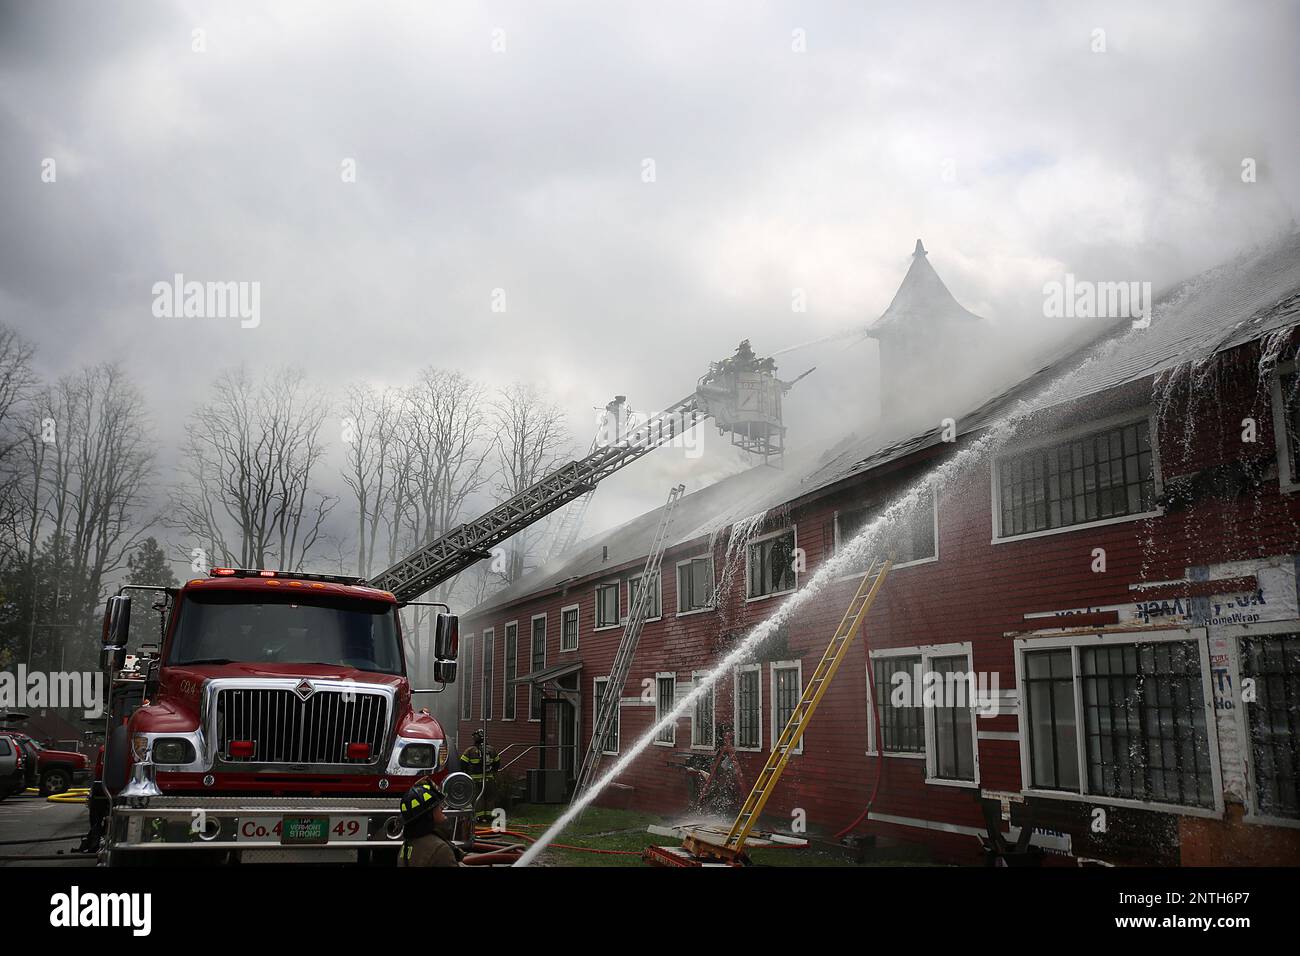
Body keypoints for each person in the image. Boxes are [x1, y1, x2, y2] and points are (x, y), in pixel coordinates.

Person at [397, 779, 462, 867]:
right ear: (428, 814)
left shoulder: (406, 846)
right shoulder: (440, 849)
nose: (442, 808)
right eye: (438, 805)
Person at [458, 730, 501, 817]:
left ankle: (479, 817)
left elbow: (462, 764)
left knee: (478, 798)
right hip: (489, 779)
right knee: (490, 798)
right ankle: (490, 816)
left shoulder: (469, 751)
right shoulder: (492, 750)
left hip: (475, 780)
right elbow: (497, 763)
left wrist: (464, 774)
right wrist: (493, 772)